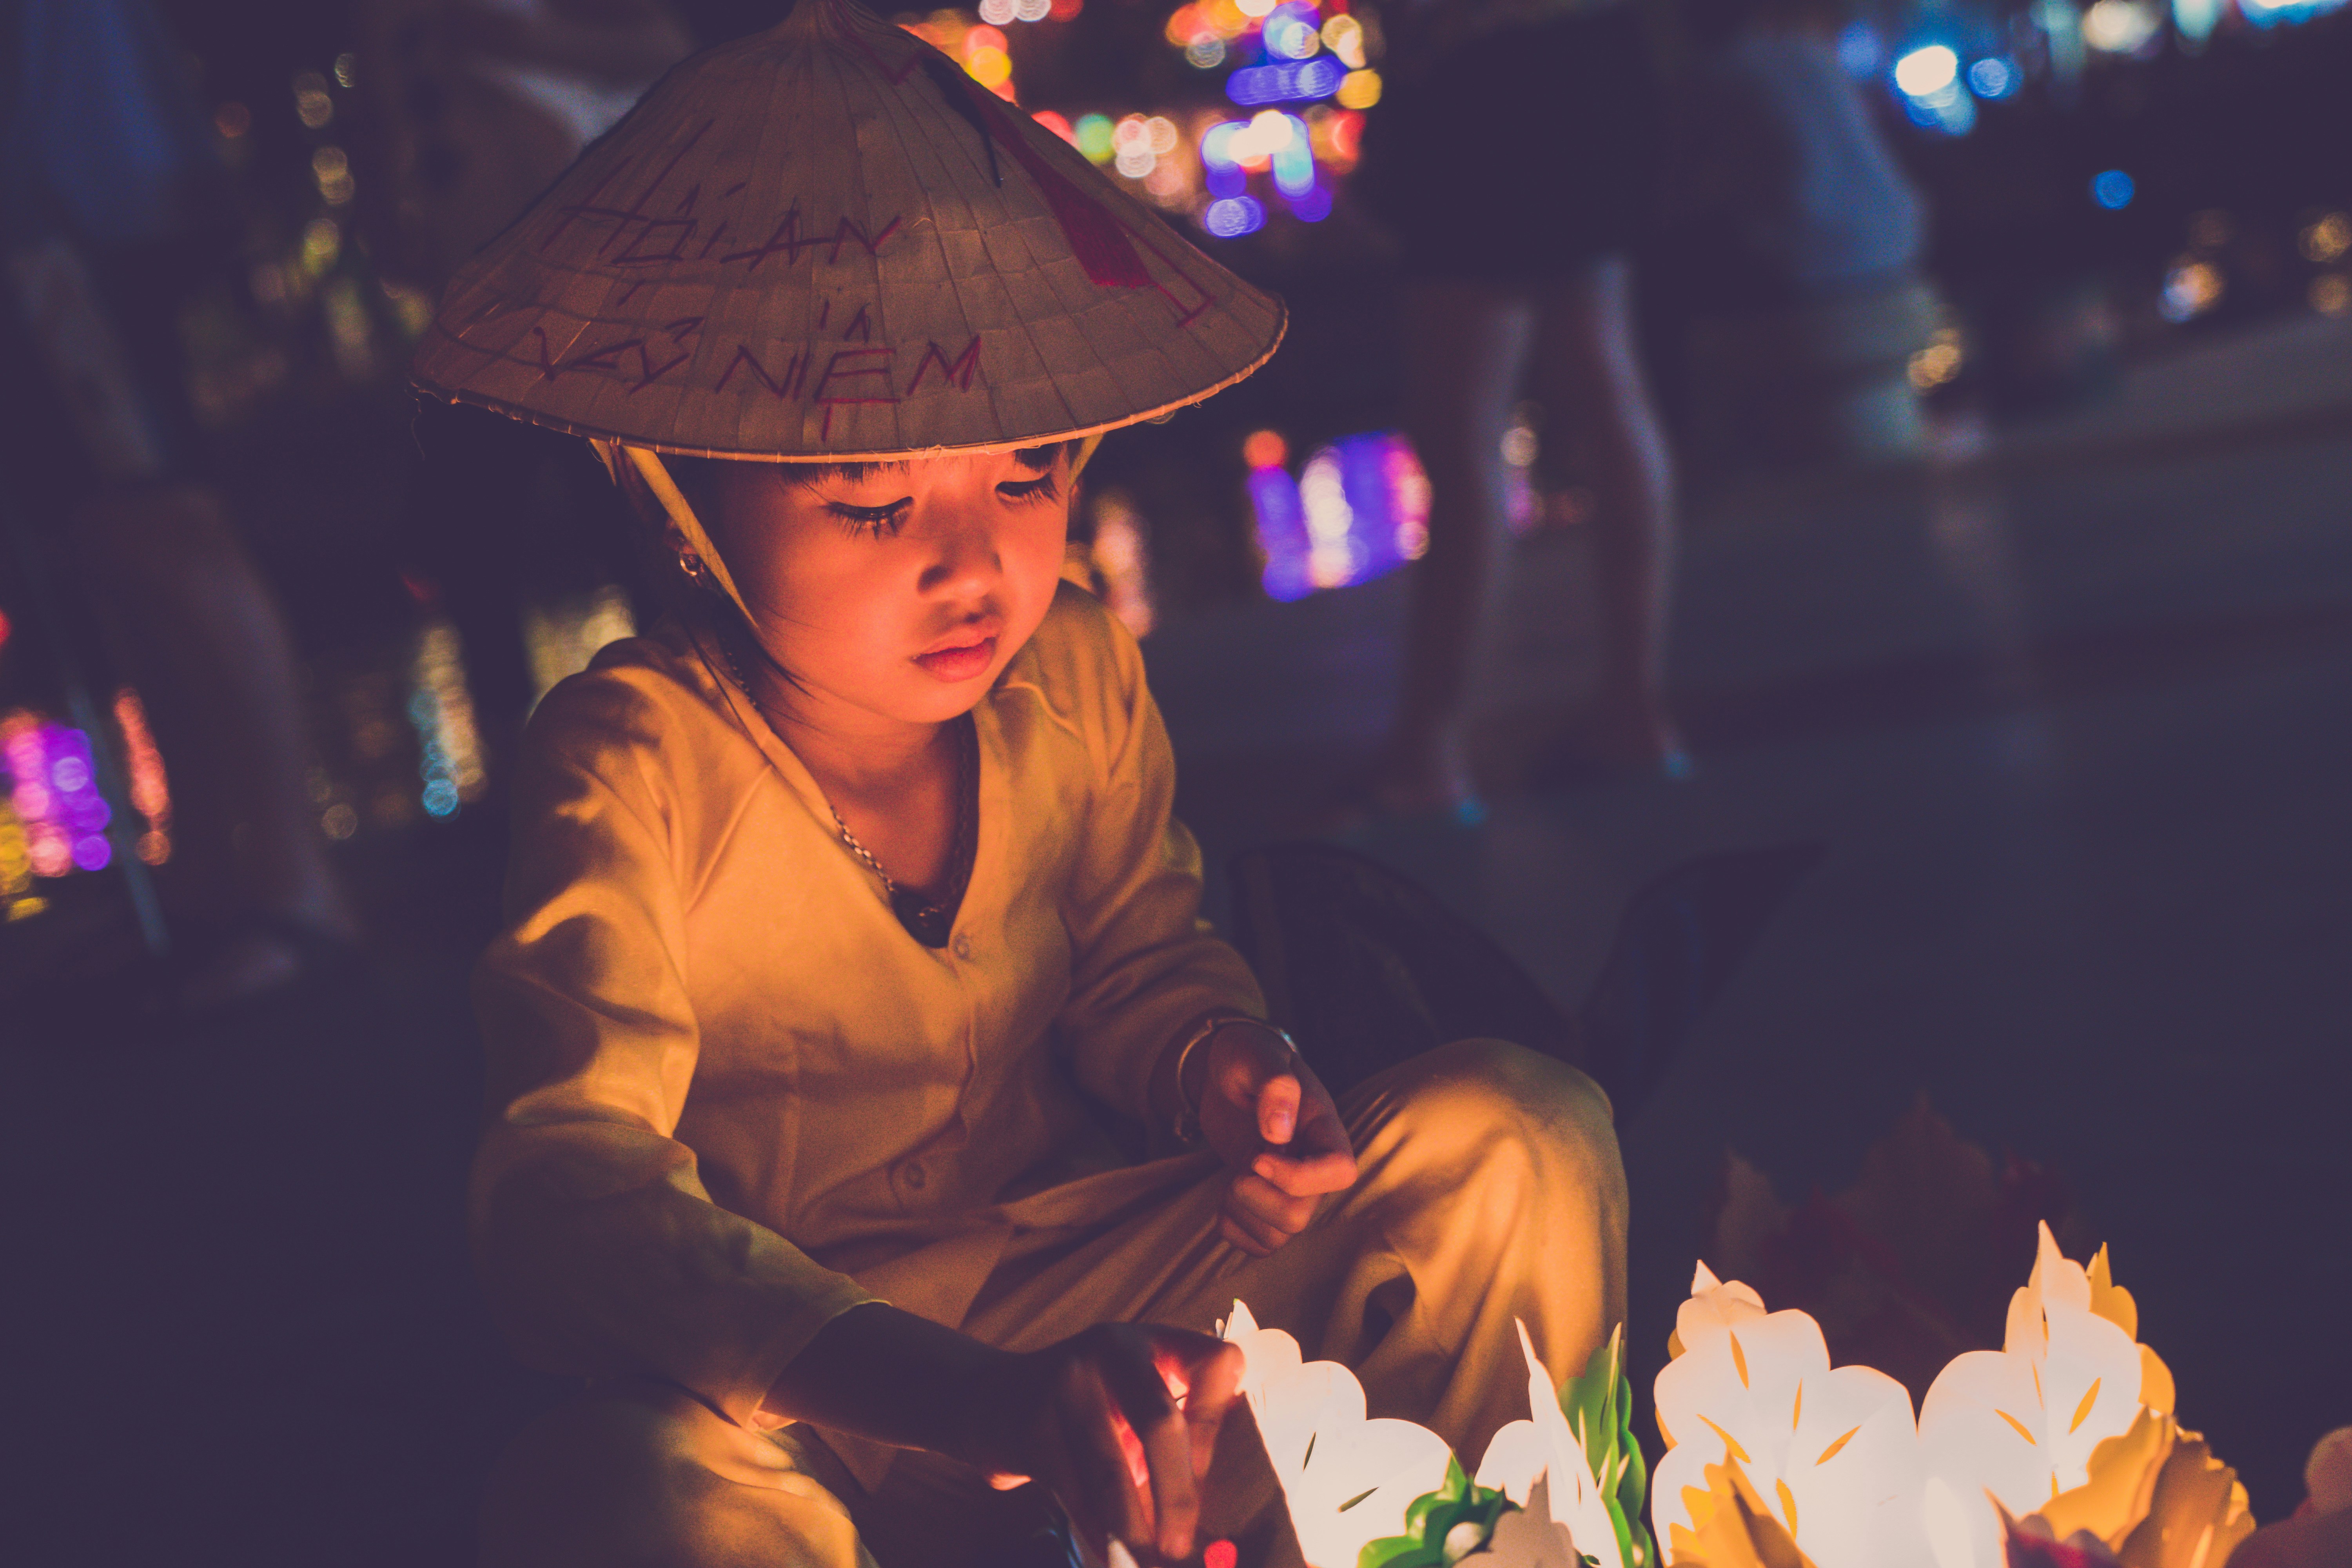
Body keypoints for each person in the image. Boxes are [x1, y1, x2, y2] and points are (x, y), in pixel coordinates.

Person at [414, 3, 1629, 1563]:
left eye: (1029, 472)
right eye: (867, 500)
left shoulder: (1071, 667)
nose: (973, 559)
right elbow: (565, 1200)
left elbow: (1138, 952)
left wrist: (1222, 1067)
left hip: (1108, 1315)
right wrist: (978, 1404)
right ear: (679, 496)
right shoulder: (633, 757)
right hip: (807, 1377)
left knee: (1518, 1131)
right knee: (623, 1494)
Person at [2, 0, 359, 1007]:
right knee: (113, 533)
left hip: (70, 195)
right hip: (71, 183)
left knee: (161, 521)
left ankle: (298, 891)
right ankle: (211, 878)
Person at [1352, 0, 1686, 817]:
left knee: (1462, 430)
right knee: (1610, 386)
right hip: (1597, 58)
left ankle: (1428, 751)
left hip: (1481, 72)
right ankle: (1635, 710)